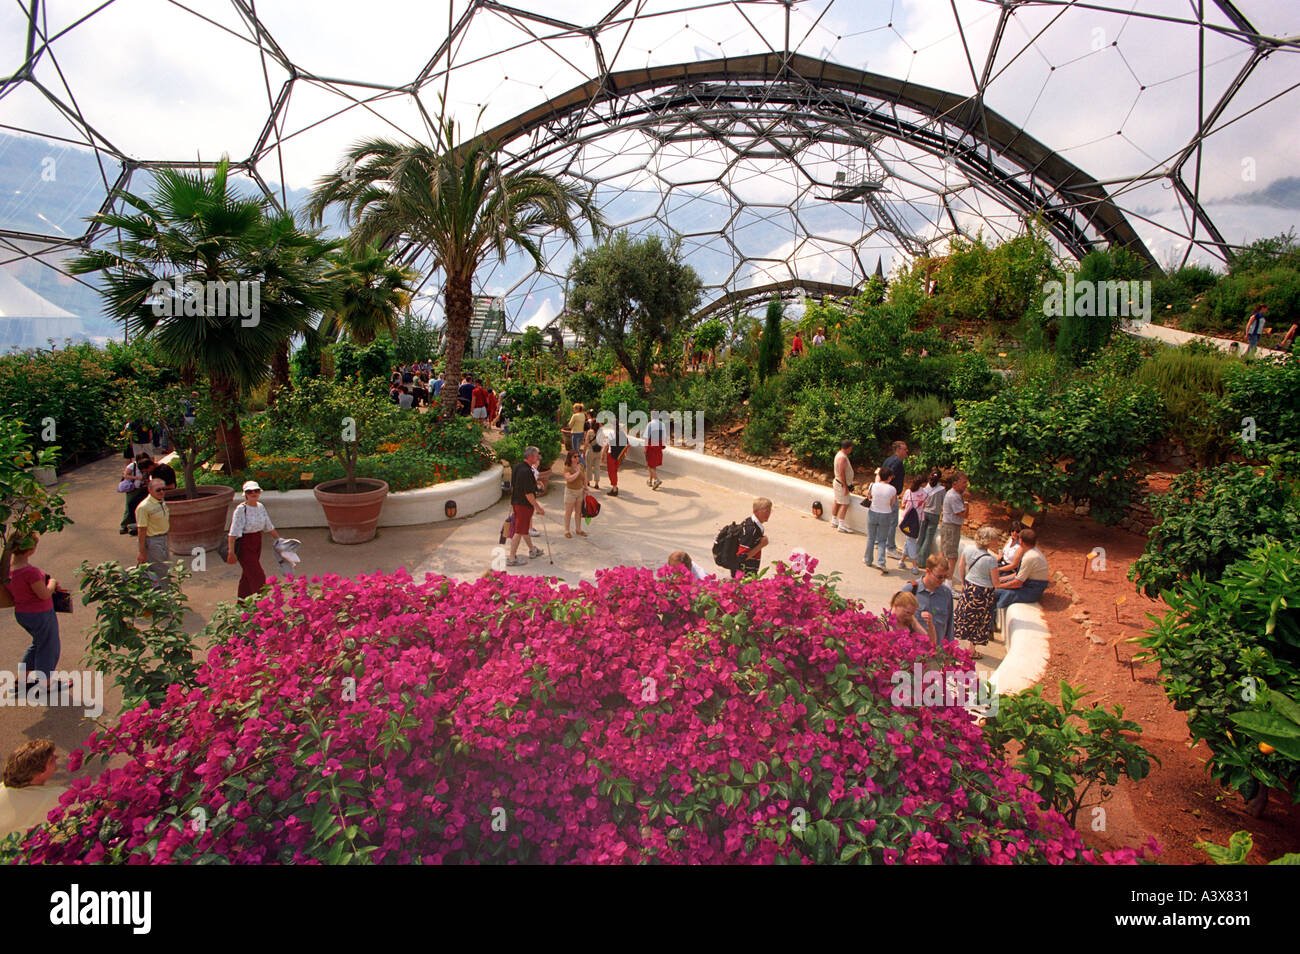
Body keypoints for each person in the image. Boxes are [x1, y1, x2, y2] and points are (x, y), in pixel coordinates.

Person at [4, 534, 62, 690]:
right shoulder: (30, 572)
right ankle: (46, 683)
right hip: (40, 613)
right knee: (49, 646)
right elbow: (43, 594)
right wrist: (52, 583)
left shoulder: (7, 570)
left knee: (38, 644)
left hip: (23, 613)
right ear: (30, 549)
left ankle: (22, 679)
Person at [226, 480, 282, 598]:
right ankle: (262, 604)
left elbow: (268, 526)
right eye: (249, 491)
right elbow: (233, 531)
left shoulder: (260, 507)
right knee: (258, 576)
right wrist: (231, 552)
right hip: (245, 544)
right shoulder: (241, 510)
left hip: (257, 541)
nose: (253, 493)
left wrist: (280, 540)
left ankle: (243, 603)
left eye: (256, 491)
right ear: (245, 494)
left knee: (248, 575)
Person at [0, 740, 66, 839]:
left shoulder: (2, 788)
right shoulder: (56, 795)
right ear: (39, 772)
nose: (57, 757)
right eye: (51, 760)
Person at [954, 526, 1001, 654]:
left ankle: (953, 645)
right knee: (978, 621)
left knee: (963, 616)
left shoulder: (968, 550)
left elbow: (961, 566)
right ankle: (972, 649)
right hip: (983, 593)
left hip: (969, 586)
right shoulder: (991, 560)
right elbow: (996, 582)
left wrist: (963, 582)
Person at [897, 554, 955, 650]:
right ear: (928, 571)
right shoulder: (910, 590)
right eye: (939, 577)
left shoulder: (946, 594)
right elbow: (895, 620)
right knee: (918, 666)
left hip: (936, 655)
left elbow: (949, 628)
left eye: (945, 577)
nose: (942, 580)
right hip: (915, 655)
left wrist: (948, 655)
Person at [507, 446, 545, 566]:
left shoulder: (517, 467)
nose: (538, 458)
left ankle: (532, 549)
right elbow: (528, 494)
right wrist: (538, 508)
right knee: (519, 531)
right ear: (530, 457)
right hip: (524, 505)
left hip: (516, 502)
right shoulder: (527, 472)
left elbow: (514, 485)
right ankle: (512, 558)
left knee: (523, 529)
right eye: (536, 456)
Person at [995, 528, 1050, 609]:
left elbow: (1018, 583)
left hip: (1033, 590)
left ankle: (995, 614)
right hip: (1027, 584)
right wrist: (1001, 579)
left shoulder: (1029, 557)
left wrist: (999, 586)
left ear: (1020, 541)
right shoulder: (1032, 552)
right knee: (994, 591)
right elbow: (1018, 574)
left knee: (1006, 595)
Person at [135, 477, 173, 589]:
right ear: (150, 490)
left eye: (163, 489)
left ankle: (165, 596)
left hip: (163, 539)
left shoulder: (161, 502)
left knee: (165, 569)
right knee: (162, 572)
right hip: (152, 541)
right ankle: (168, 600)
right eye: (158, 490)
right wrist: (141, 552)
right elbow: (141, 530)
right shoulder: (144, 507)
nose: (161, 492)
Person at [863, 464, 897, 575]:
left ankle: (868, 559)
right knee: (882, 540)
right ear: (888, 477)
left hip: (873, 512)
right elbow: (892, 503)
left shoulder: (873, 485)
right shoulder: (892, 489)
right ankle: (881, 562)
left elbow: (869, 497)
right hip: (885, 514)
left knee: (871, 538)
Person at [881, 441, 908, 557]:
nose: (907, 452)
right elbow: (888, 477)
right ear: (898, 450)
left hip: (883, 493)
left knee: (884, 520)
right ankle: (890, 547)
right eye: (905, 449)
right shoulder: (897, 463)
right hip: (891, 495)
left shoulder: (888, 460)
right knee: (892, 522)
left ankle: (881, 542)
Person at [734, 497, 772, 578]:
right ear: (756, 511)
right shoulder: (751, 529)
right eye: (766, 511)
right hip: (744, 575)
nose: (768, 514)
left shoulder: (754, 525)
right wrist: (761, 545)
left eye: (770, 511)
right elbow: (741, 557)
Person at [938, 471, 968, 572]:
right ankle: (948, 580)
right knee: (952, 556)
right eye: (964, 482)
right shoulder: (954, 496)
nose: (966, 485)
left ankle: (940, 575)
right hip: (951, 527)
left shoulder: (955, 494)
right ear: (955, 483)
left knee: (944, 552)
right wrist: (967, 501)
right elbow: (964, 514)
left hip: (948, 526)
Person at [898, 475, 928, 571]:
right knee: (911, 541)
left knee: (909, 539)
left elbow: (903, 504)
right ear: (923, 483)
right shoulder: (925, 494)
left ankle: (902, 561)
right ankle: (914, 566)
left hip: (906, 519)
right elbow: (925, 506)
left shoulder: (908, 492)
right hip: (916, 520)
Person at [120, 453, 153, 535]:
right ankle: (125, 525)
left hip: (144, 488)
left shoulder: (148, 465)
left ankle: (138, 526)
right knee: (129, 507)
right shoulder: (132, 466)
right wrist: (138, 478)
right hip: (133, 489)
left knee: (141, 508)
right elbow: (125, 475)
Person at [561, 450, 587, 539]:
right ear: (570, 458)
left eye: (578, 456)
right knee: (568, 512)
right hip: (570, 492)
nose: (577, 458)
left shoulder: (581, 466)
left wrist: (586, 488)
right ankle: (567, 530)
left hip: (580, 491)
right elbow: (569, 479)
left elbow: (584, 478)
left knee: (578, 512)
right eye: (574, 457)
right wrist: (577, 472)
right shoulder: (567, 467)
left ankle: (578, 529)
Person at [831, 439, 854, 533]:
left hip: (838, 482)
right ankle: (841, 524)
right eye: (851, 448)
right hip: (841, 484)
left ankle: (834, 520)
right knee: (845, 504)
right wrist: (845, 487)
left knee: (837, 501)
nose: (851, 450)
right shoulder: (843, 458)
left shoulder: (839, 454)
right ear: (848, 448)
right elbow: (842, 473)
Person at [603, 418, 629, 497]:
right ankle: (615, 486)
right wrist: (623, 453)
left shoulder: (611, 434)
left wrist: (603, 454)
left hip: (611, 454)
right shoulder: (622, 433)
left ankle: (614, 489)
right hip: (618, 456)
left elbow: (607, 445)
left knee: (611, 472)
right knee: (614, 471)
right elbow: (627, 444)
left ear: (612, 425)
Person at [644, 410, 666, 491]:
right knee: (654, 465)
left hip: (651, 446)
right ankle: (650, 481)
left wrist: (645, 448)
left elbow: (646, 437)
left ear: (652, 415)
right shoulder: (662, 424)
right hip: (658, 447)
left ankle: (656, 480)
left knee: (649, 465)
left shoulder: (650, 424)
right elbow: (664, 436)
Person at [583, 412, 602, 489]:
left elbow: (586, 442)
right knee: (597, 467)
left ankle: (588, 481)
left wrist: (584, 451)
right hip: (599, 451)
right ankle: (597, 483)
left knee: (589, 467)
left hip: (591, 450)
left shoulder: (590, 432)